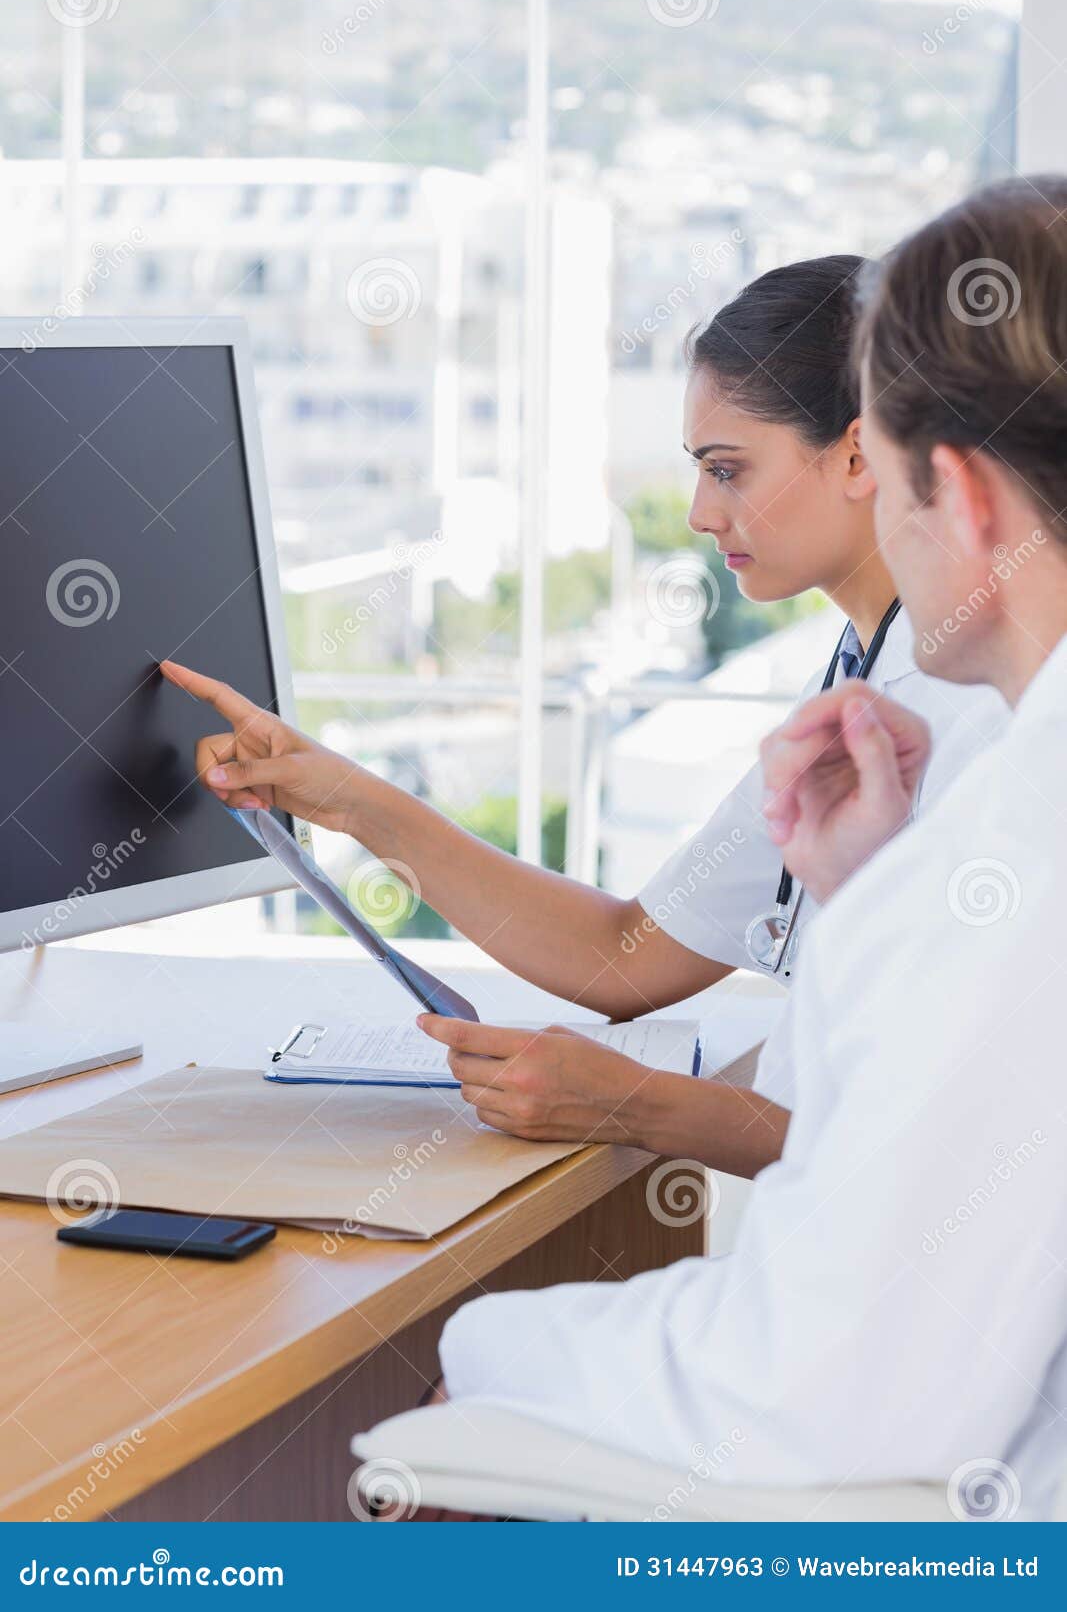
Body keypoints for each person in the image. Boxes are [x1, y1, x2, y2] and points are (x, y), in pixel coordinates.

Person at [423, 176, 1067, 1518]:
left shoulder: (1005, 847)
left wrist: (474, 1351)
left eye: (886, 481)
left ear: (943, 489)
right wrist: (872, 902)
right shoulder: (962, 814)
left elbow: (818, 1391)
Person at [162, 253, 1005, 1176]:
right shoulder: (865, 666)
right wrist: (347, 798)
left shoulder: (983, 706)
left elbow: (959, 1144)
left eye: (727, 470)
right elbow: (626, 957)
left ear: (854, 454)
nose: (694, 513)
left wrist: (635, 1105)